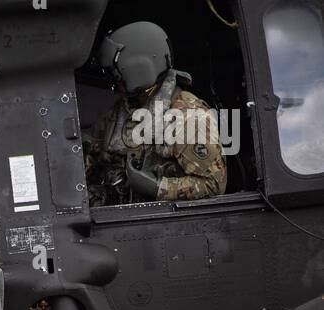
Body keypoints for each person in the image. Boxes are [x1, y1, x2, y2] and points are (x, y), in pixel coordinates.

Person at [86, 21, 227, 207]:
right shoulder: (122, 110)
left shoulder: (187, 116)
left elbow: (214, 184)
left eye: (117, 76)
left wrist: (157, 187)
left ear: (137, 69)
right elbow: (91, 153)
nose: (114, 83)